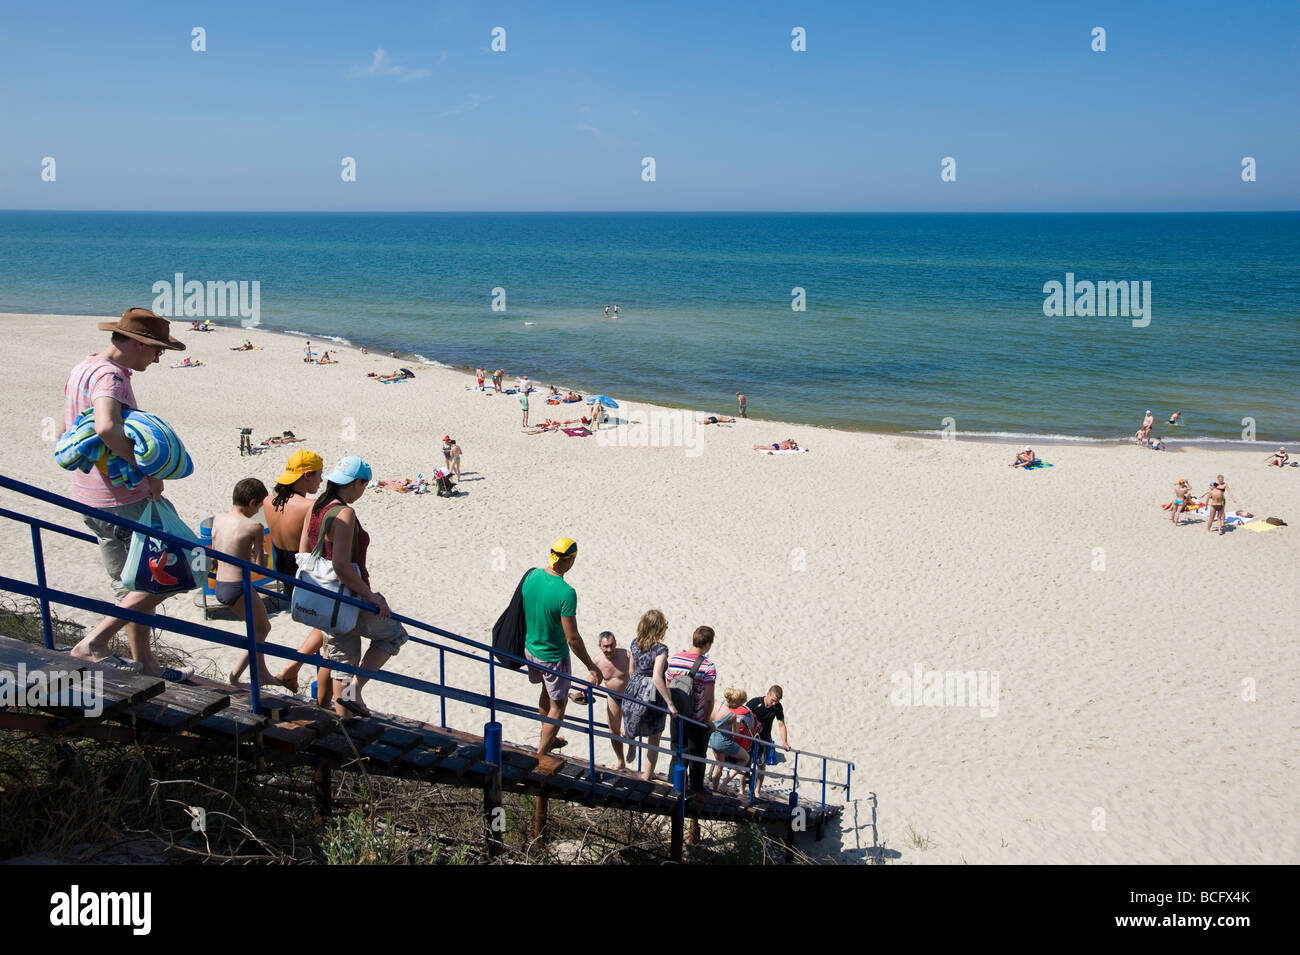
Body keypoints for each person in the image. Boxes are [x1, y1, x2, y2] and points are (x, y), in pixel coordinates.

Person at [65, 308, 191, 681]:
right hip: (123, 499)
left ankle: (146, 665)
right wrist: (145, 469)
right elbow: (106, 427)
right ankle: (94, 643)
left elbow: (67, 431)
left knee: (133, 587)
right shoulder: (111, 376)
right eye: (157, 350)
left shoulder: (83, 368)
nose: (158, 357)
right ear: (138, 343)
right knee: (180, 568)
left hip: (88, 494)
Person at [298, 456, 408, 717]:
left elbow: (303, 553)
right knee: (394, 634)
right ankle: (355, 691)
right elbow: (342, 566)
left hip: (323, 597)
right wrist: (371, 597)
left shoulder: (315, 507)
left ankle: (343, 727)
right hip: (348, 597)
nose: (362, 491)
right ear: (357, 483)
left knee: (342, 665)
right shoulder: (345, 513)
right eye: (364, 485)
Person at [521, 538, 602, 757]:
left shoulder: (532, 575)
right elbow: (572, 638)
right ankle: (542, 753)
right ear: (570, 560)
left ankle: (547, 736)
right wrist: (591, 666)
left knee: (546, 693)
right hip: (553, 656)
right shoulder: (567, 592)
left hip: (531, 649)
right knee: (559, 705)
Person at [262, 450, 328, 699]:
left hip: (283, 570)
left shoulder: (269, 500)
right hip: (305, 570)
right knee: (332, 627)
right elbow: (315, 545)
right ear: (307, 476)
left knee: (325, 630)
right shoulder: (309, 506)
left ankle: (294, 669)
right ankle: (294, 670)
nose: (320, 482)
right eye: (319, 476)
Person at [212, 478, 282, 688]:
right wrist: (262, 555)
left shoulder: (218, 519)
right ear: (252, 503)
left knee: (256, 629)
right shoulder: (254, 526)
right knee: (262, 629)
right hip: (238, 585)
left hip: (220, 585)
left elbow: (215, 558)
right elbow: (260, 567)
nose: (258, 511)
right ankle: (234, 677)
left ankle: (262, 674)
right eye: (259, 506)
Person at [622, 609, 676, 782]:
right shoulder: (661, 649)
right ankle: (647, 774)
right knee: (654, 736)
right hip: (651, 691)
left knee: (632, 718)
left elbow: (631, 670)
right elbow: (657, 677)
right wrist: (670, 703)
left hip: (635, 685)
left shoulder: (635, 643)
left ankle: (631, 740)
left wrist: (635, 686)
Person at [666, 626, 717, 794]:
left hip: (677, 715)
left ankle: (675, 787)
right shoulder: (708, 666)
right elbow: (709, 699)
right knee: (697, 756)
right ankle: (695, 789)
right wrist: (707, 720)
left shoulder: (675, 659)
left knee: (677, 751)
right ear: (708, 644)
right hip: (696, 718)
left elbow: (667, 687)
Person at [571, 632, 632, 770]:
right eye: (606, 647)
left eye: (611, 645)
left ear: (615, 643)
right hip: (613, 697)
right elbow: (592, 679)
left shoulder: (626, 655)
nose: (609, 650)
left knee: (625, 731)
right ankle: (620, 761)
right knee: (613, 731)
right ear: (600, 646)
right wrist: (584, 690)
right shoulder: (597, 661)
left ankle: (632, 745)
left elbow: (637, 674)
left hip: (629, 697)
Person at [707, 688, 755, 793]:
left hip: (712, 738)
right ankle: (724, 783)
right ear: (735, 703)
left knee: (719, 764)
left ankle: (715, 790)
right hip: (723, 741)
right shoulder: (732, 715)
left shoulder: (716, 703)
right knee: (745, 758)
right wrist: (738, 721)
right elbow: (735, 734)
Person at [746, 685, 790, 787]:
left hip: (765, 738)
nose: (774, 703)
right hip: (750, 737)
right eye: (773, 700)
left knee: (761, 765)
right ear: (768, 694)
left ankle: (757, 791)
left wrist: (785, 742)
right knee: (746, 763)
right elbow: (743, 716)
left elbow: (781, 724)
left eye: (777, 701)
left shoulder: (777, 707)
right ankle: (742, 790)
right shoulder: (755, 702)